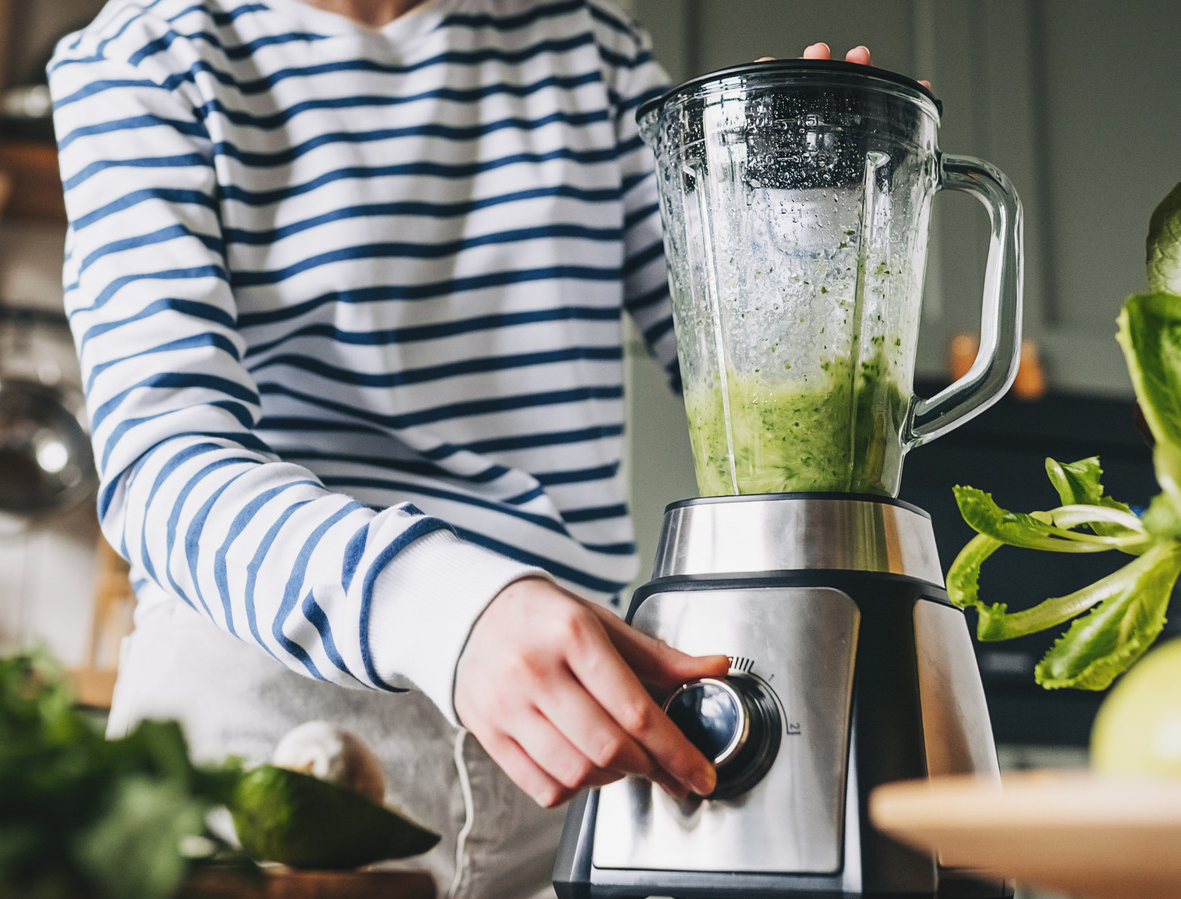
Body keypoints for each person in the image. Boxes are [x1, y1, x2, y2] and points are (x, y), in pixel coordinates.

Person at [49, 2, 881, 895]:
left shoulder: (589, 45)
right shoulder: (146, 56)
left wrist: (795, 204)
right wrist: (448, 608)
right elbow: (161, 462)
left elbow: (734, 344)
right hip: (265, 740)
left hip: (573, 750)